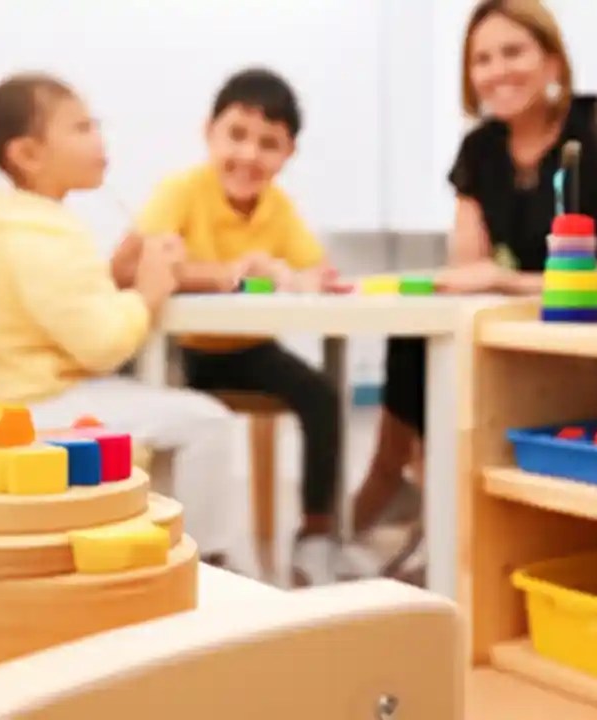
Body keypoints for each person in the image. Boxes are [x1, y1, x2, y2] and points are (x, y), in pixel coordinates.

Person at [352, 0, 597, 568]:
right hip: (530, 308)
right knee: (413, 336)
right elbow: (468, 265)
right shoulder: (479, 149)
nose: (498, 71)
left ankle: (397, 494)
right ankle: (423, 491)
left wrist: (514, 282)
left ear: (551, 59)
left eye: (513, 52)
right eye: (482, 59)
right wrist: (482, 279)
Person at [0, 73, 257, 577]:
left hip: (18, 400)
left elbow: (79, 317)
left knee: (180, 415)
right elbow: (103, 344)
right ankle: (209, 567)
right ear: (27, 154)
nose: (99, 140)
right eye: (82, 127)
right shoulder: (39, 235)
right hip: (41, 408)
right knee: (208, 423)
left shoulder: (13, 224)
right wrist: (149, 291)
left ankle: (172, 550)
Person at [119, 68, 378, 586]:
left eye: (269, 144)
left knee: (322, 397)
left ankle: (317, 535)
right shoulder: (182, 190)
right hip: (178, 350)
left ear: (288, 155)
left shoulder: (279, 208)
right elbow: (127, 268)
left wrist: (302, 278)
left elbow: (310, 268)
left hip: (245, 349)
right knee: (184, 421)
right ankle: (181, 538)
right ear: (209, 133)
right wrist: (229, 274)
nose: (250, 155)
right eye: (236, 135)